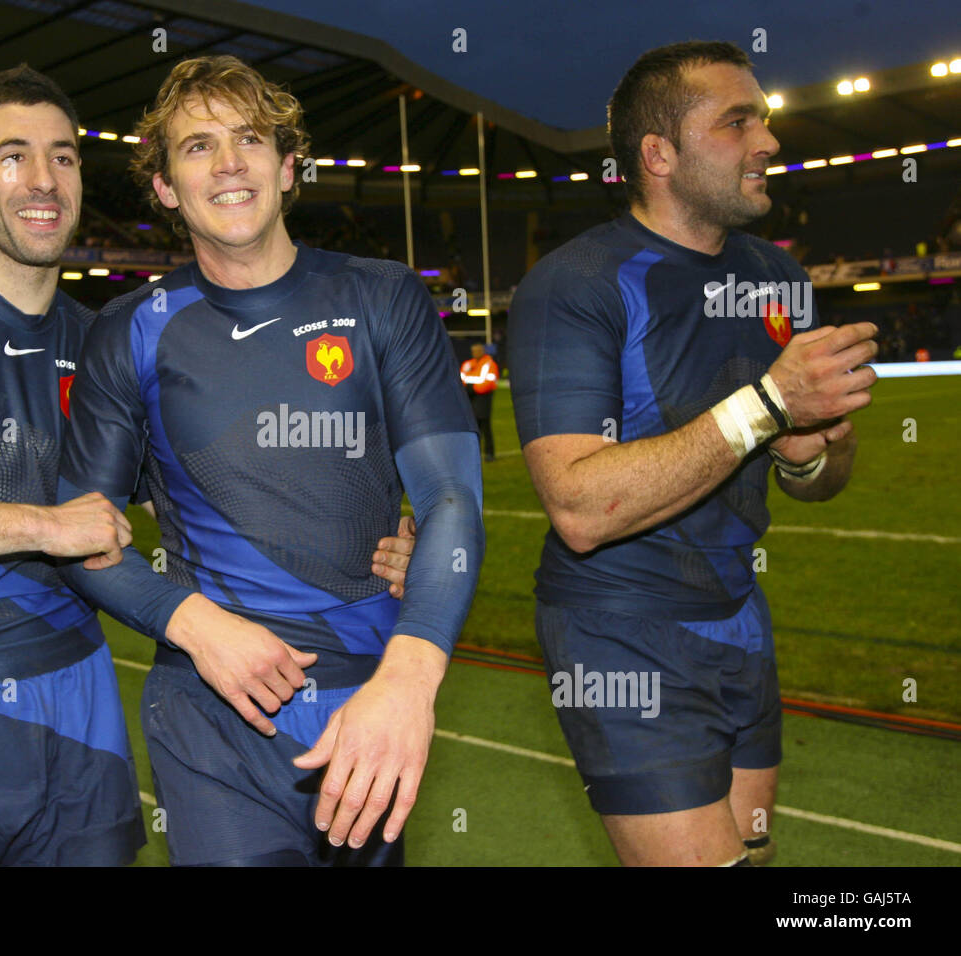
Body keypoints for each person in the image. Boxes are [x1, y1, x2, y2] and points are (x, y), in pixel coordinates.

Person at [0, 63, 411, 867]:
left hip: (82, 706)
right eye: (12, 156)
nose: (43, 180)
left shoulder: (107, 337)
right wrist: (40, 524)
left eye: (63, 156)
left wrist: (385, 536)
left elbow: (222, 494)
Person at [58, 54, 484, 866]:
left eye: (250, 138)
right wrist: (194, 623)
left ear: (288, 168)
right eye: (196, 146)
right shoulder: (130, 330)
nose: (227, 164)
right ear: (164, 187)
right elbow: (80, 533)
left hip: (370, 704)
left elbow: (453, 503)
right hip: (211, 712)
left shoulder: (382, 297)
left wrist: (409, 678)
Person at [508, 41, 877, 867]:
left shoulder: (778, 277)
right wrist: (772, 405)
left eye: (767, 120)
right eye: (737, 122)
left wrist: (810, 454)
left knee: (753, 858)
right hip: (620, 627)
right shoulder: (578, 286)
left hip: (741, 615)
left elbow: (819, 480)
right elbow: (578, 506)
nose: (770, 142)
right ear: (659, 155)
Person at [459, 342, 499, 461]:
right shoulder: (468, 364)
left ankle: (489, 453)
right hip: (470, 397)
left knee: (485, 426)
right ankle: (472, 453)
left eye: (477, 351)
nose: (475, 353)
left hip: (483, 398)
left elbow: (489, 382)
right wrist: (469, 387)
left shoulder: (489, 364)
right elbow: (461, 378)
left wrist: (471, 387)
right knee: (472, 427)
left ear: (482, 351)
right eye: (473, 351)